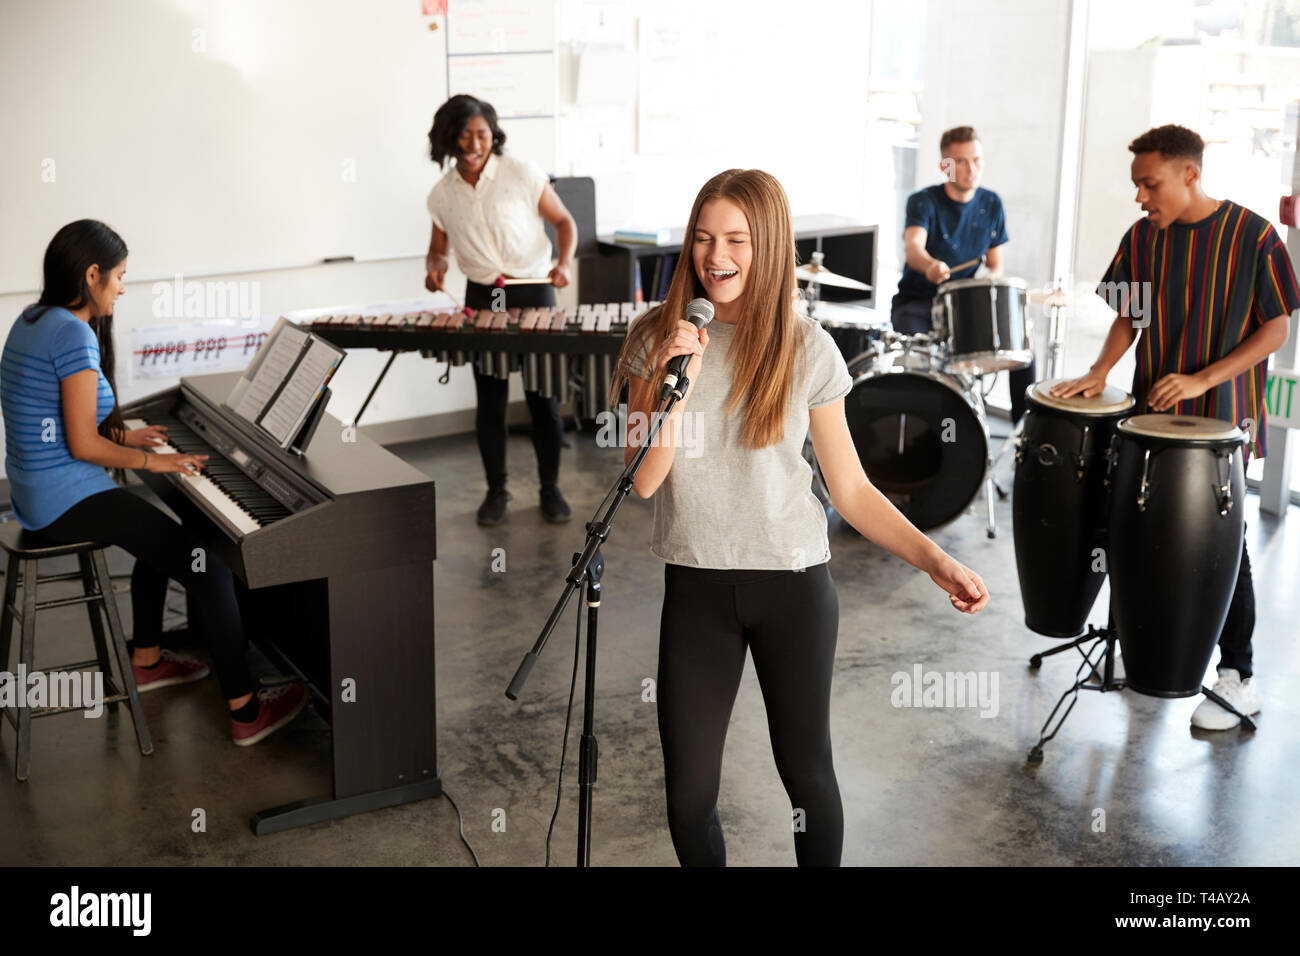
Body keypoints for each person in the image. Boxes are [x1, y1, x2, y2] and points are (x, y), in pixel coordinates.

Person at [612, 169, 990, 867]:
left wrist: (936, 561)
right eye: (703, 238)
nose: (715, 255)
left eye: (736, 240)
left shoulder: (807, 346)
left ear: (769, 245)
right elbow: (643, 479)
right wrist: (674, 381)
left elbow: (851, 490)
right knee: (688, 798)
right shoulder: (655, 338)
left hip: (792, 585)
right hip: (696, 586)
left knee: (807, 777)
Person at [0, 220, 309, 746]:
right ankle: (246, 710)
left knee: (162, 539)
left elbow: (58, 418)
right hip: (64, 500)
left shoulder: (32, 319)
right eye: (119, 275)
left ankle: (146, 661)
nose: (122, 287)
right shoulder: (73, 333)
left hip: (33, 493)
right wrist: (153, 462)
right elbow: (83, 445)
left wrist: (127, 439)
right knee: (208, 567)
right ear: (92, 274)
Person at [1053, 124, 1299, 730]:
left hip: (1223, 419)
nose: (1140, 197)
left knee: (1224, 545)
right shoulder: (1144, 237)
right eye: (1137, 185)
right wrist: (1098, 371)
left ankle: (1239, 676)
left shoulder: (1253, 236)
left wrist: (1201, 379)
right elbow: (1129, 317)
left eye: (1150, 183)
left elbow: (1277, 328)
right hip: (1150, 418)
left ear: (1190, 174)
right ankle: (1146, 651)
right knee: (1141, 532)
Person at [423, 94, 579, 526]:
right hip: (482, 297)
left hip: (534, 292)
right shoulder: (441, 195)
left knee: (542, 399)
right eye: (465, 135)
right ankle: (496, 492)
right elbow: (437, 251)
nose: (475, 144)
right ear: (449, 138)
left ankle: (550, 489)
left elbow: (564, 222)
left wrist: (565, 263)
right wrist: (435, 268)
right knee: (490, 402)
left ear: (493, 136)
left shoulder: (521, 173)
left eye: (483, 134)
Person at [892, 125, 1036, 422]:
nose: (971, 169)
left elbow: (995, 264)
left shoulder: (991, 202)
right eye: (960, 161)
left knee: (1023, 352)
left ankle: (1022, 432)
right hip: (919, 304)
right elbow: (913, 248)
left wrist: (989, 279)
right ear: (945, 166)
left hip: (966, 309)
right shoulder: (922, 201)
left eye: (976, 160)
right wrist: (930, 265)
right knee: (922, 368)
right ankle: (920, 427)